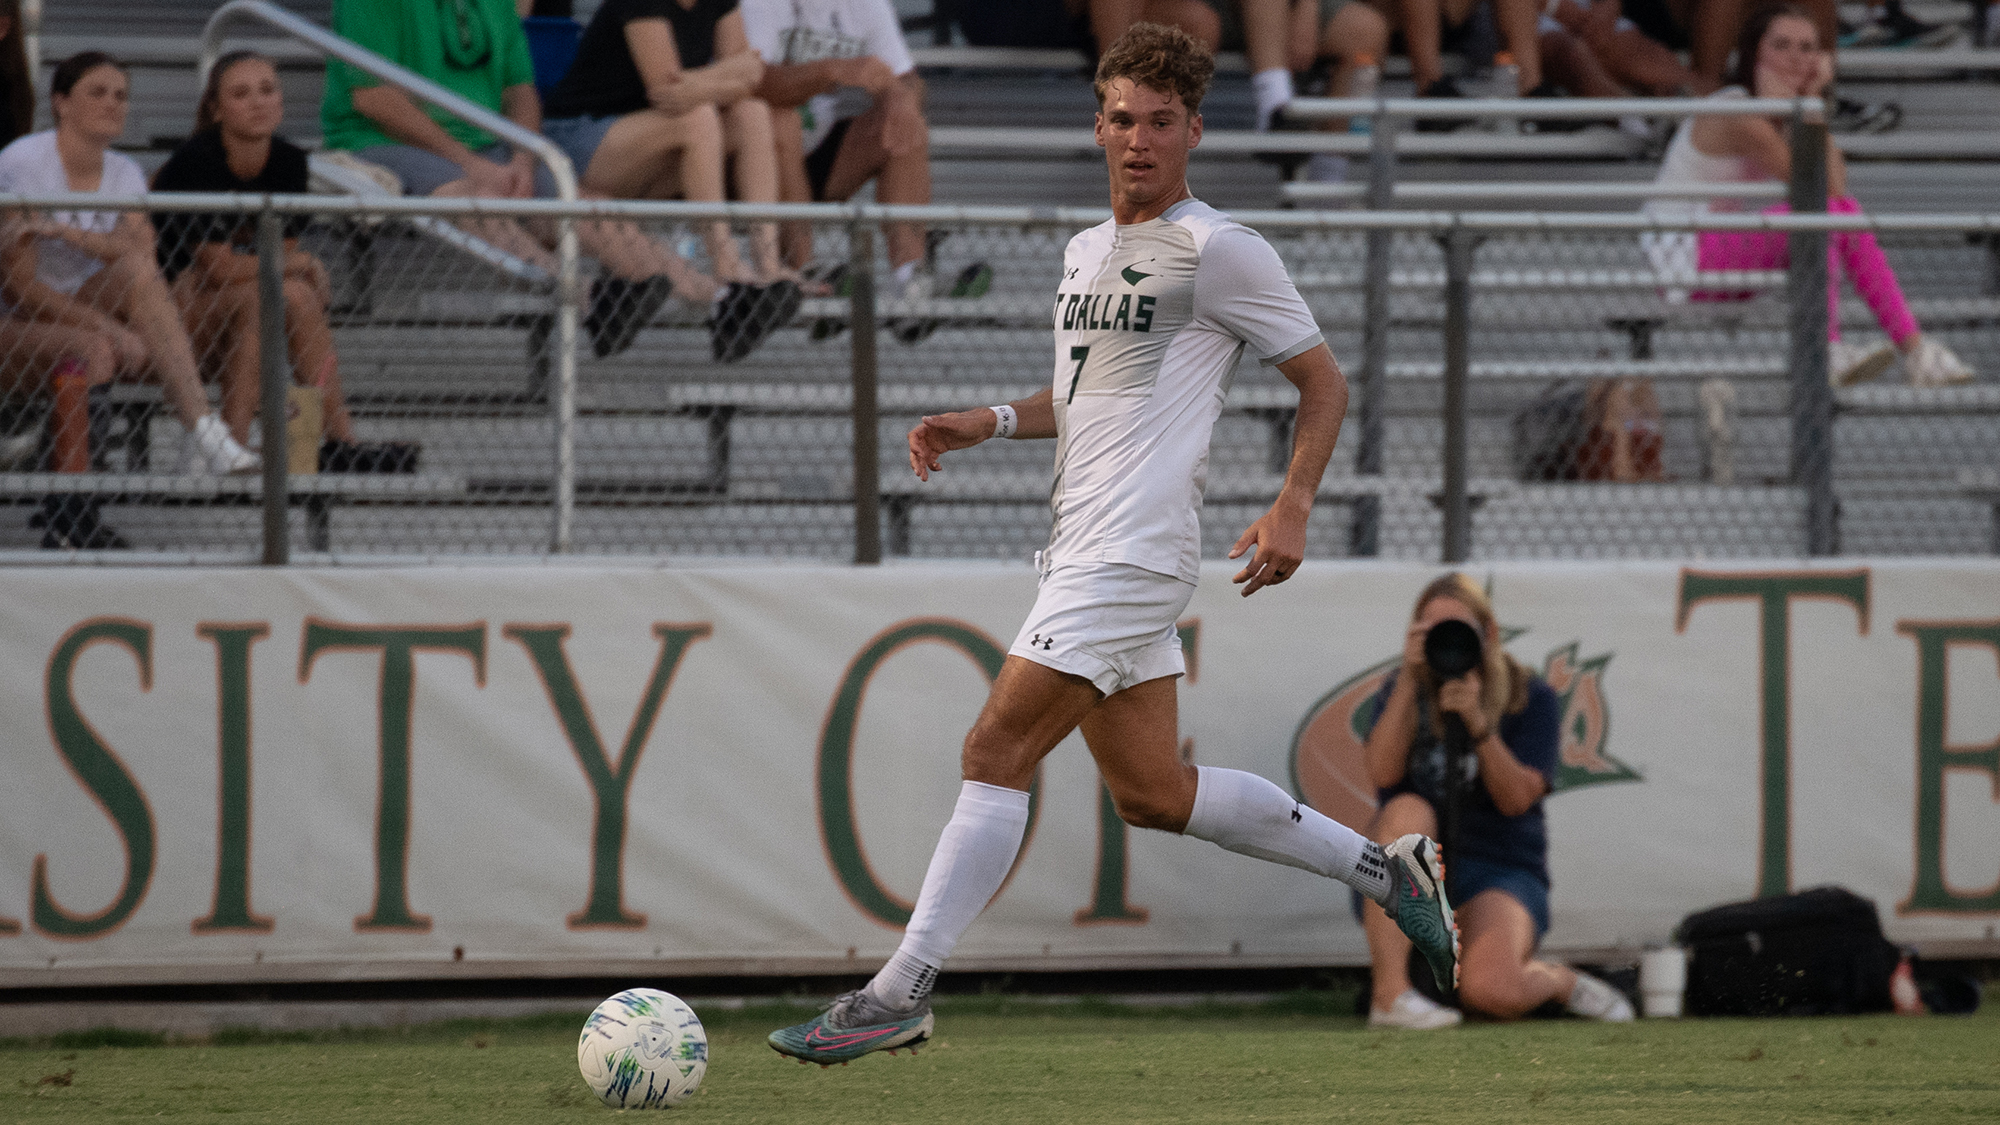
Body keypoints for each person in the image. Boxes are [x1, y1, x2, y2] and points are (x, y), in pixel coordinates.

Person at [767, 23, 1458, 1066]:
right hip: (1082, 547)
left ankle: (895, 992)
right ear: (1097, 125)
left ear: (1191, 132)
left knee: (992, 751)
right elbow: (1089, 398)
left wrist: (1293, 504)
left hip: (1129, 553)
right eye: (1121, 119)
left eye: (1160, 123)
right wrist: (987, 421)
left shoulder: (1218, 248)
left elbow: (1322, 380)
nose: (1137, 140)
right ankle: (1387, 873)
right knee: (1152, 794)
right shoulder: (1085, 252)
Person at [321, 0, 794, 361]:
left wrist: (525, 157)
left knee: (584, 206)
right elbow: (373, 98)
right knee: (474, 200)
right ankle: (591, 298)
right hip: (385, 142)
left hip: (491, 146)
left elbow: (521, 90)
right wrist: (469, 160)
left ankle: (719, 298)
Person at [1642, 3, 1973, 387]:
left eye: (1807, 48)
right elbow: (1824, 188)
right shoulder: (1739, 115)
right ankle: (1876, 349)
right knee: (1821, 214)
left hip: (1715, 261)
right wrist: (1805, 105)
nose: (1796, 59)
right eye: (1781, 45)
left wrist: (1813, 100)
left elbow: (1835, 187)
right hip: (1681, 265)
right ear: (1754, 55)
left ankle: (1909, 350)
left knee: (1832, 213)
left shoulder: (1783, 115)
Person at [1358, 573, 1633, 1028]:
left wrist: (1478, 723)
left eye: (1459, 629)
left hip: (1498, 868)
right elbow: (1382, 774)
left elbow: (1516, 801)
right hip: (1413, 876)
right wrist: (1409, 679)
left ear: (1488, 633)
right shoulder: (1402, 689)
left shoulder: (1530, 696)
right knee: (1407, 810)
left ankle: (1563, 982)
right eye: (1431, 630)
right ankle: (1389, 996)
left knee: (1492, 992)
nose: (1447, 641)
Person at [0, 53, 260, 488]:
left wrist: (64, 230)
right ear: (61, 102)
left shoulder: (125, 172)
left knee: (138, 274)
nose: (113, 103)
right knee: (98, 346)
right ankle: (72, 510)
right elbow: (21, 289)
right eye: (97, 92)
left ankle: (207, 433)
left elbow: (140, 253)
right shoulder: (23, 163)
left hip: (84, 306)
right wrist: (110, 328)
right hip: (18, 323)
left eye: (121, 95)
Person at [152, 51, 419, 473]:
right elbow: (217, 269)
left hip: (241, 315)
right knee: (278, 289)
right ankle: (236, 444)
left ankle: (326, 443)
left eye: (268, 89)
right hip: (170, 320)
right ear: (216, 109)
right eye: (241, 94)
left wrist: (298, 266)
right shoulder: (197, 160)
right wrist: (302, 263)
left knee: (292, 294)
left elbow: (282, 260)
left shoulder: (290, 162)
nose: (259, 101)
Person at [741, 0, 991, 341]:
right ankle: (807, 276)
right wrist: (829, 70)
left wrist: (901, 100)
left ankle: (910, 283)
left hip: (822, 153)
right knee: (780, 121)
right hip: (752, 164)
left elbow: (908, 80)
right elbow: (754, 84)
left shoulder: (865, 4)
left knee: (904, 123)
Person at [540, 0, 810, 294]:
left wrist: (697, 82)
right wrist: (730, 74)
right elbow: (665, 89)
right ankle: (726, 264)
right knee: (697, 118)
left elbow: (750, 79)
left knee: (752, 114)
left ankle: (767, 265)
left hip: (648, 149)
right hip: (578, 141)